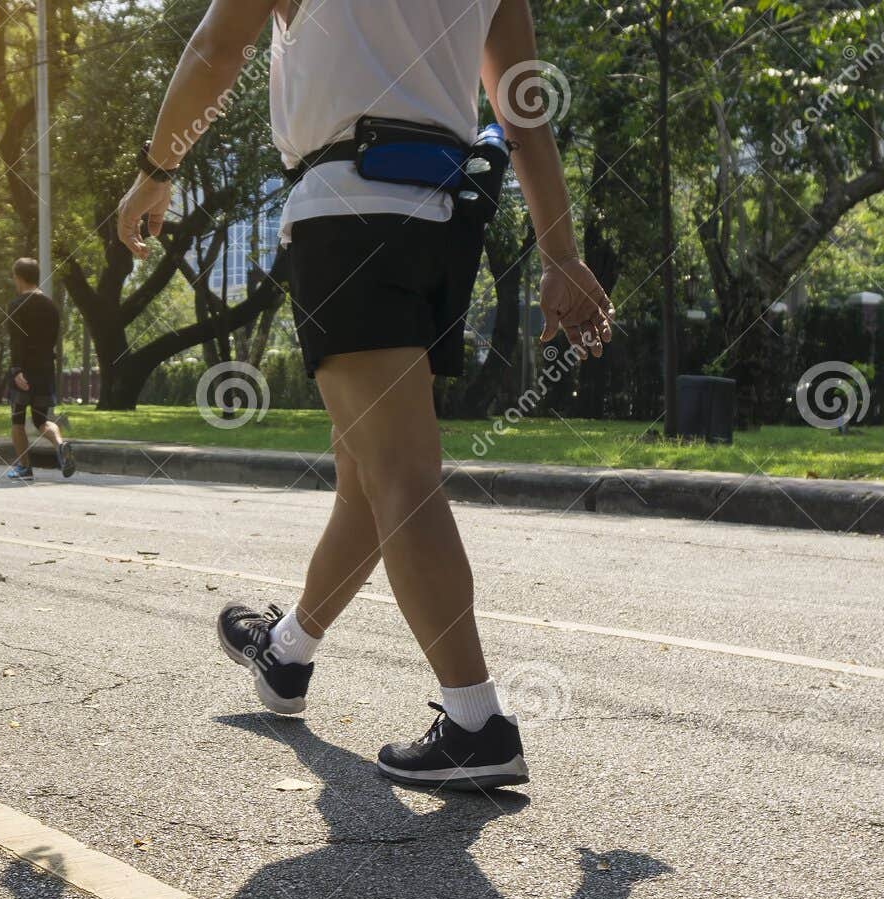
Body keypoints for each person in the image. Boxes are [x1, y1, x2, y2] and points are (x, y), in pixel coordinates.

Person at [117, 0, 612, 790]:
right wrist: (559, 253)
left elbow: (217, 48)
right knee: (367, 476)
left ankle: (476, 723)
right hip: (441, 226)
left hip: (348, 215)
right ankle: (286, 653)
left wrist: (156, 172)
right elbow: (523, 105)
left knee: (400, 481)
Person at [4, 257, 76, 481]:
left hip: (24, 371)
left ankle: (25, 468)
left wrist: (17, 370)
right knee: (41, 420)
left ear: (18, 278)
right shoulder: (51, 306)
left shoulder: (16, 306)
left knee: (17, 421)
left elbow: (17, 342)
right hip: (45, 369)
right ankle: (60, 444)